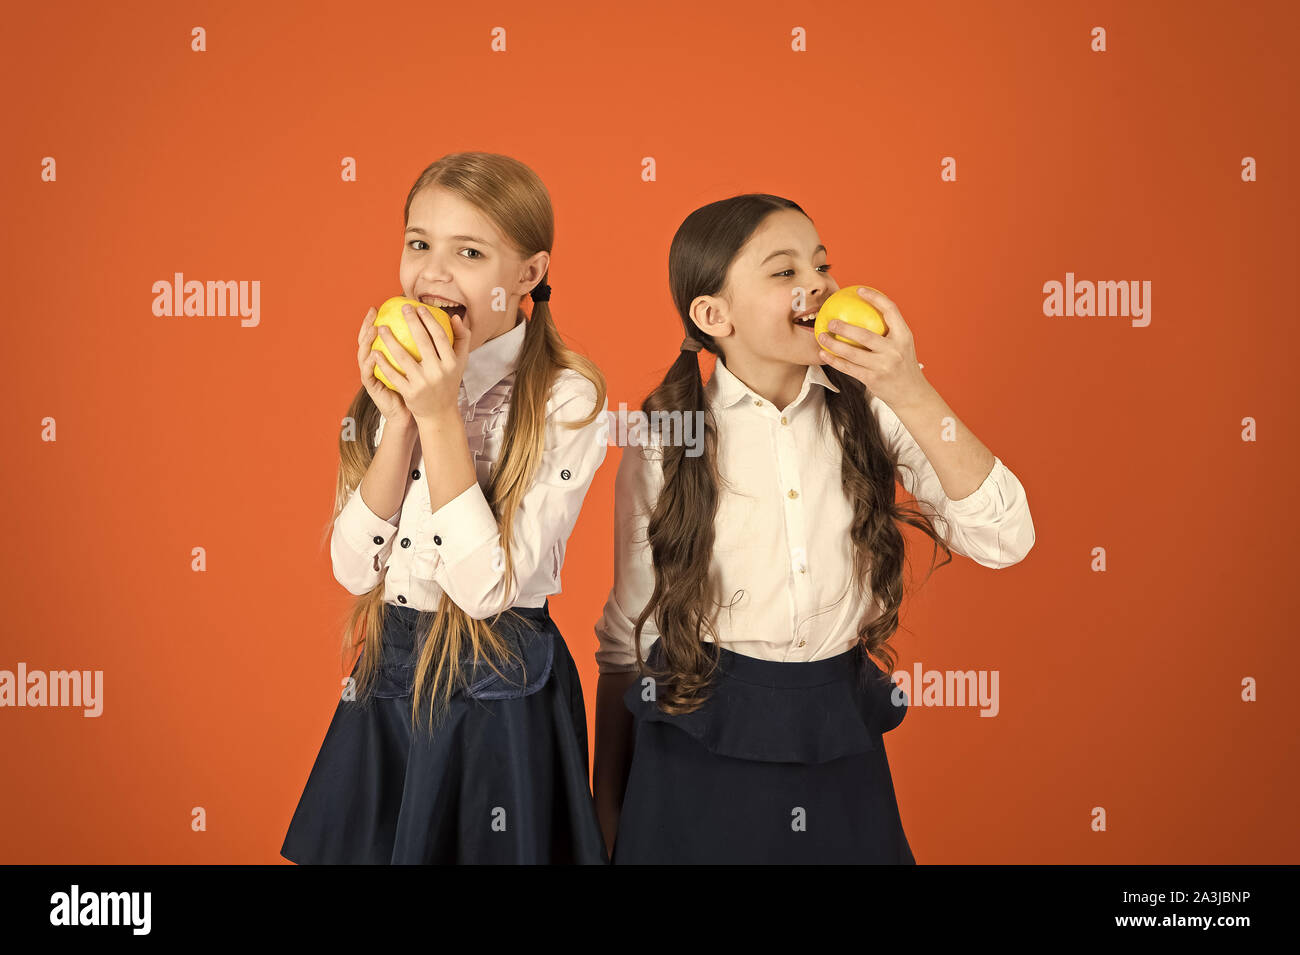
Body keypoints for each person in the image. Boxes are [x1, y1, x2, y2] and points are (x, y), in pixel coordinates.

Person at [593, 193, 1035, 863]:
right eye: (784, 271)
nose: (820, 284)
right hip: (693, 742)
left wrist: (907, 385)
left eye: (821, 265)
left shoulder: (877, 407)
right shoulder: (665, 438)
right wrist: (609, 810)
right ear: (714, 315)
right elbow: (628, 637)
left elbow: (1006, 538)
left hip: (836, 729)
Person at [282, 152, 609, 864]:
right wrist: (398, 418)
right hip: (389, 683)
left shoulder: (567, 399)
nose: (434, 271)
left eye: (469, 251)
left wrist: (439, 416)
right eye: (419, 243)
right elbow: (351, 568)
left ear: (526, 276)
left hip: (496, 698)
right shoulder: (400, 376)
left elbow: (485, 589)